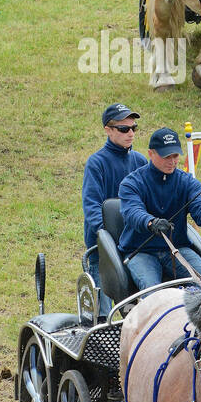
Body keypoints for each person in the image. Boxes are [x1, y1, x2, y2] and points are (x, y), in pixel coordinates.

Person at [118, 127, 201, 290]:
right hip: (141, 252)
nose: (172, 161)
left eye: (175, 156)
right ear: (151, 153)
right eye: (166, 156)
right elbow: (132, 211)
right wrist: (151, 222)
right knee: (152, 290)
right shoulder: (131, 183)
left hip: (178, 249)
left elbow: (200, 204)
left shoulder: (187, 181)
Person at [83, 103, 147, 314]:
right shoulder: (96, 163)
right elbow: (92, 207)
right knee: (101, 317)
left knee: (136, 314)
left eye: (134, 128)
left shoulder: (140, 161)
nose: (130, 133)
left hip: (135, 249)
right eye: (123, 129)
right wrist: (109, 241)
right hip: (102, 252)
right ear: (108, 130)